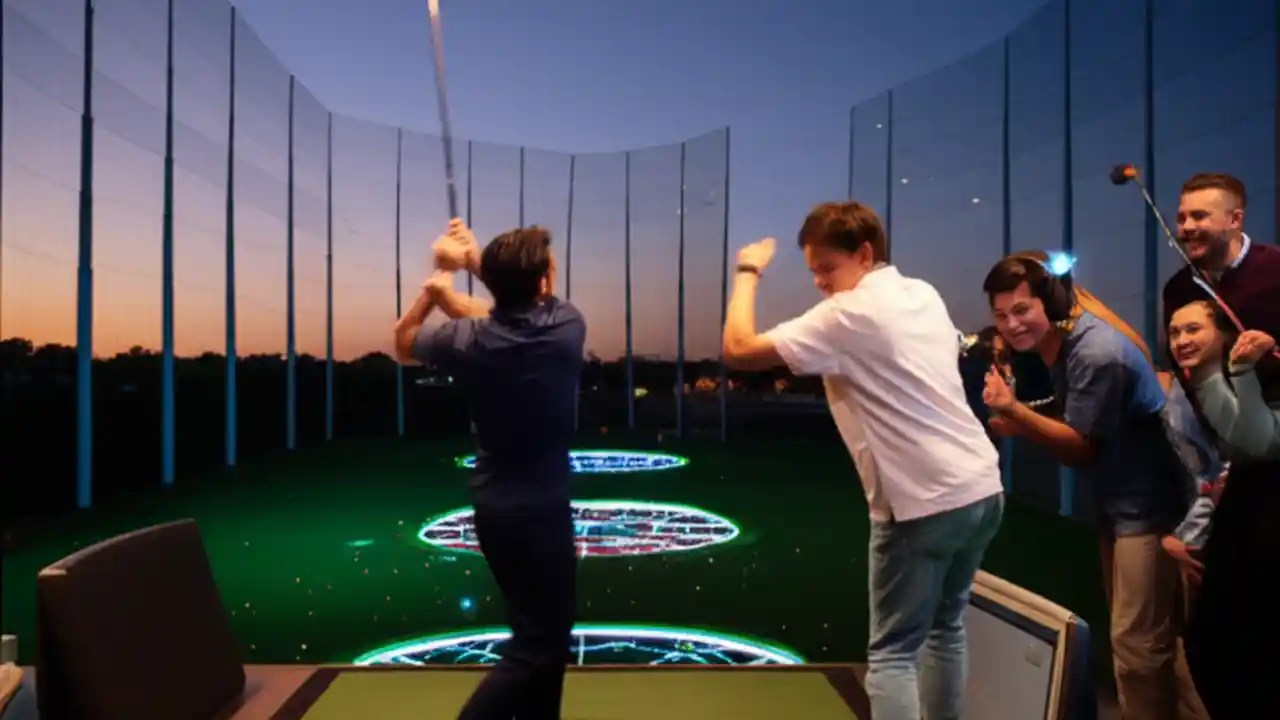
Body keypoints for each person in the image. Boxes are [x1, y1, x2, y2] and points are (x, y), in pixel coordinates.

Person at [721, 200, 1005, 720]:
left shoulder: (848, 314)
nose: (820, 282)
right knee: (945, 629)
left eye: (827, 268)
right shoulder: (923, 292)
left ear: (865, 254)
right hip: (982, 488)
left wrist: (746, 271)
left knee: (893, 655)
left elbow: (738, 349)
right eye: (814, 271)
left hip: (921, 502)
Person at [979, 253, 1206, 720]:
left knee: (1136, 647)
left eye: (1021, 310)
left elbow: (1081, 447)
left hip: (1148, 509)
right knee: (1156, 642)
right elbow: (1083, 425)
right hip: (1121, 505)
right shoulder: (1067, 347)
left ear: (1050, 302)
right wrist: (1023, 422)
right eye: (1001, 315)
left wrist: (1016, 413)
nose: (1012, 325)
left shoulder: (1094, 352)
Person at [394, 218, 584, 720]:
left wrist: (437, 285)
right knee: (537, 646)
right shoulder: (566, 325)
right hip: (543, 511)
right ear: (543, 280)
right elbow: (513, 304)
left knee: (542, 639)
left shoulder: (466, 339)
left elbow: (403, 340)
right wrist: (470, 264)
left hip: (495, 509)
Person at [1170, 300, 1280, 717]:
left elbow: (1258, 442)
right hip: (1241, 525)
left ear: (1223, 332)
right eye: (1175, 332)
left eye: (1193, 329)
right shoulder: (1201, 383)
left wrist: (1241, 371)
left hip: (1265, 531)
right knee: (1214, 647)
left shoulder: (1255, 373)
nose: (1181, 340)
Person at [1162, 172, 1280, 400]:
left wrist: (1271, 349)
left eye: (1199, 216)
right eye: (1181, 218)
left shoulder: (1275, 268)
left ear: (1235, 220)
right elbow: (1179, 366)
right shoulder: (1177, 289)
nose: (1187, 227)